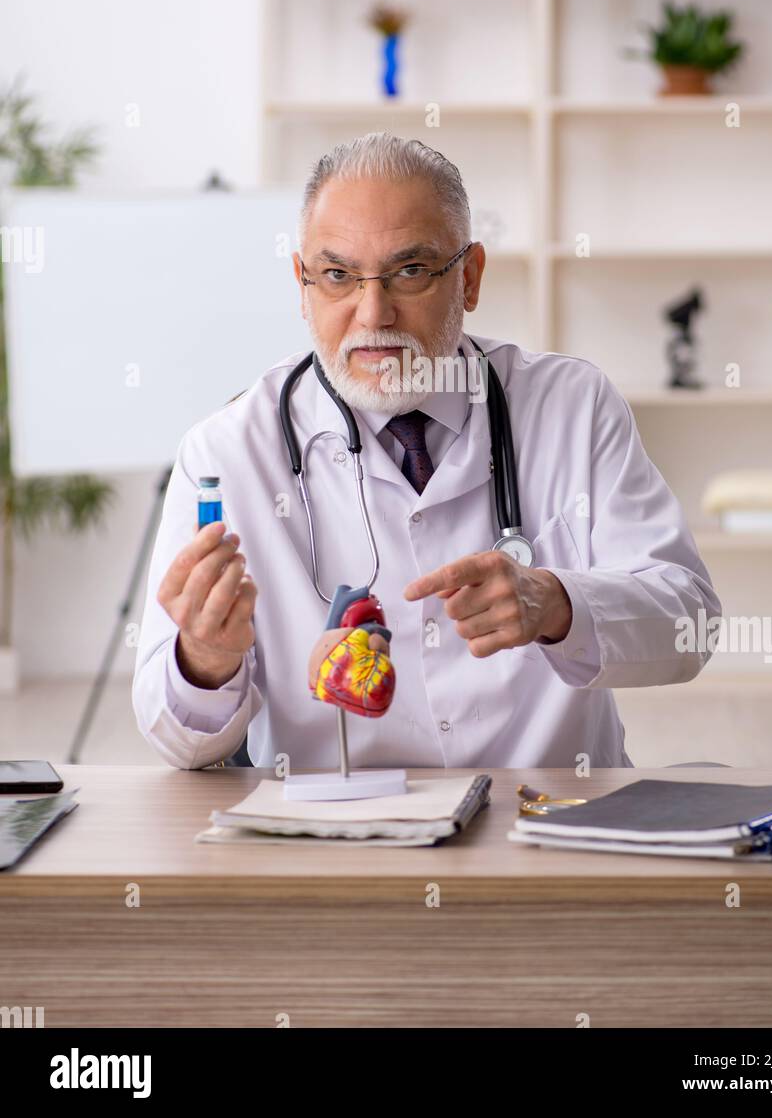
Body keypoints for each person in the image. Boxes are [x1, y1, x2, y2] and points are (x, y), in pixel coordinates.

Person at [132, 132, 721, 771]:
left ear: (469, 277)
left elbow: (691, 621)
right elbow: (178, 742)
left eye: (409, 271)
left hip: (548, 826)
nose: (373, 312)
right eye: (338, 276)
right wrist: (206, 658)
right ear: (301, 285)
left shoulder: (571, 405)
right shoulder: (226, 454)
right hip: (337, 840)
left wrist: (557, 602)